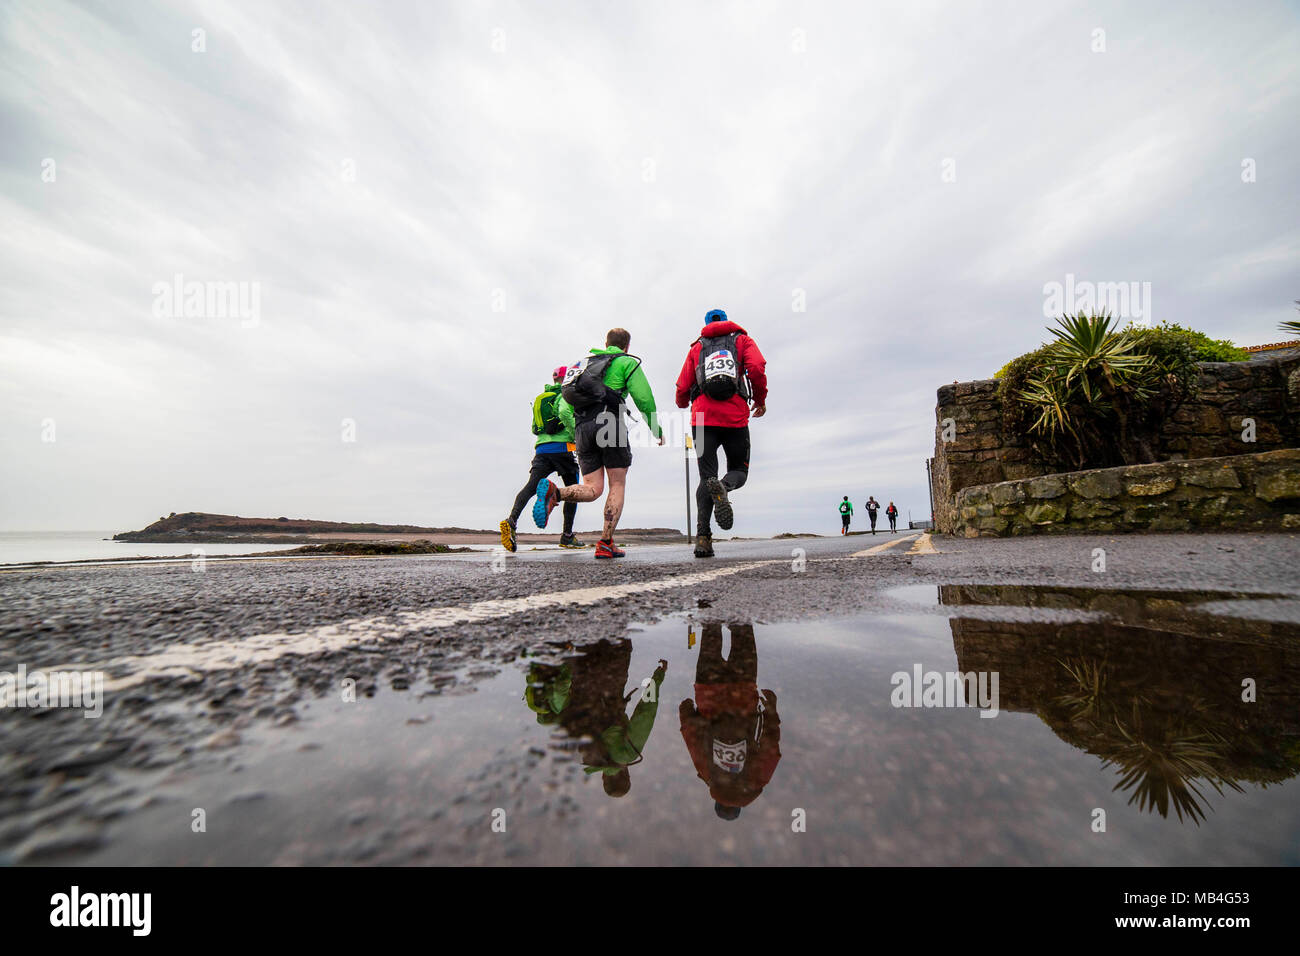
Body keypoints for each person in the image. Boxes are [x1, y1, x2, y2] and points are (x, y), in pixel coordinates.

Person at [534, 328, 664, 559]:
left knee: (593, 488)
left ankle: (557, 493)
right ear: (627, 346)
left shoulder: (583, 364)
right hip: (609, 423)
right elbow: (644, 398)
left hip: (582, 426)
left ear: (606, 344)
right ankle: (605, 542)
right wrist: (656, 430)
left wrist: (577, 433)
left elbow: (564, 407)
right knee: (617, 483)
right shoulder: (625, 362)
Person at [674, 308, 768, 558]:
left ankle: (702, 539)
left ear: (706, 324)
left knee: (707, 478)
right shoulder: (742, 340)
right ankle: (725, 487)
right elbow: (757, 368)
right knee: (739, 470)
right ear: (726, 321)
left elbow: (682, 385)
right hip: (735, 418)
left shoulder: (696, 348)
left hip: (703, 419)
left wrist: (683, 403)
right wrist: (759, 399)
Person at [524, 640, 667, 798]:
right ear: (604, 777)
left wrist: (656, 680)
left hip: (614, 670)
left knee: (615, 623)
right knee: (587, 629)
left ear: (627, 775)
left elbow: (645, 714)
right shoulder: (582, 755)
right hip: (582, 676)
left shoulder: (627, 755)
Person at [679, 622, 781, 820]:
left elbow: (771, 749)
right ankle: (707, 596)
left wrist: (771, 711)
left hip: (743, 691)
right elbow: (692, 736)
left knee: (742, 627)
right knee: (711, 629)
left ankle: (738, 595)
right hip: (708, 690)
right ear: (716, 801)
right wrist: (686, 709)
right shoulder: (709, 775)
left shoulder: (754, 782)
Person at [500, 367, 586, 552]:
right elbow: (564, 413)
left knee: (531, 487)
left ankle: (512, 521)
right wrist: (577, 438)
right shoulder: (566, 395)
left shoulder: (541, 399)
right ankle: (567, 536)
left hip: (542, 449)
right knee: (573, 491)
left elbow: (534, 429)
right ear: (566, 379)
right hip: (563, 448)